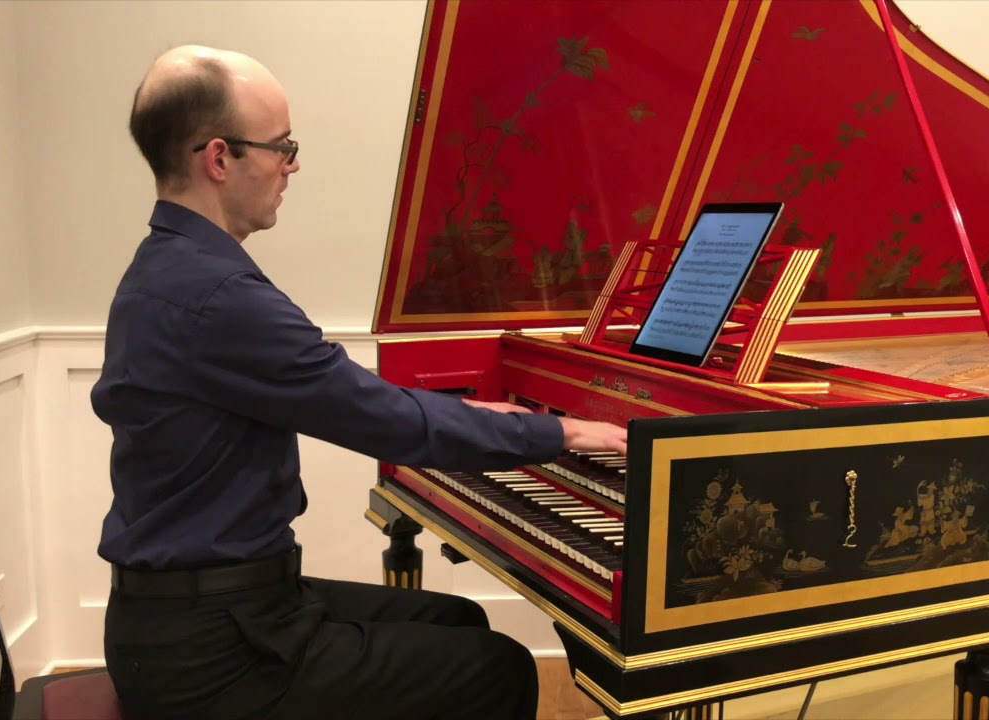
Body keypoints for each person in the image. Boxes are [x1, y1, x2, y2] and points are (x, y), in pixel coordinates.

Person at [91, 44, 627, 720]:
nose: (293, 165)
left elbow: (350, 395)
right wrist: (560, 432)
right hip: (214, 652)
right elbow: (381, 419)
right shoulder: (218, 295)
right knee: (499, 668)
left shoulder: (170, 267)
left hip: (196, 616)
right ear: (220, 158)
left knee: (457, 621)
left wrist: (487, 419)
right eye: (282, 146)